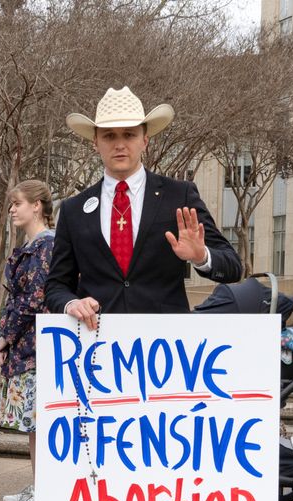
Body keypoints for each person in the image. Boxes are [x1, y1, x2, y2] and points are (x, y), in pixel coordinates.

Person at [45, 87, 241, 324]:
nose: (119, 144)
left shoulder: (180, 196)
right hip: (97, 346)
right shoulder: (73, 209)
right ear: (95, 142)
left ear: (144, 141)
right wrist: (72, 303)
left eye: (129, 135)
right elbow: (56, 285)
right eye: (109, 136)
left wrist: (201, 257)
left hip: (165, 345)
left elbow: (232, 267)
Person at [0, 180, 55, 501]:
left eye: (18, 203)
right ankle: (38, 484)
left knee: (39, 423)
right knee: (34, 423)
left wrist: (6, 337)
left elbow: (34, 298)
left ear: (38, 205)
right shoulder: (33, 245)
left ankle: (45, 490)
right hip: (28, 345)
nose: (13, 209)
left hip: (38, 346)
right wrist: (5, 336)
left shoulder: (46, 246)